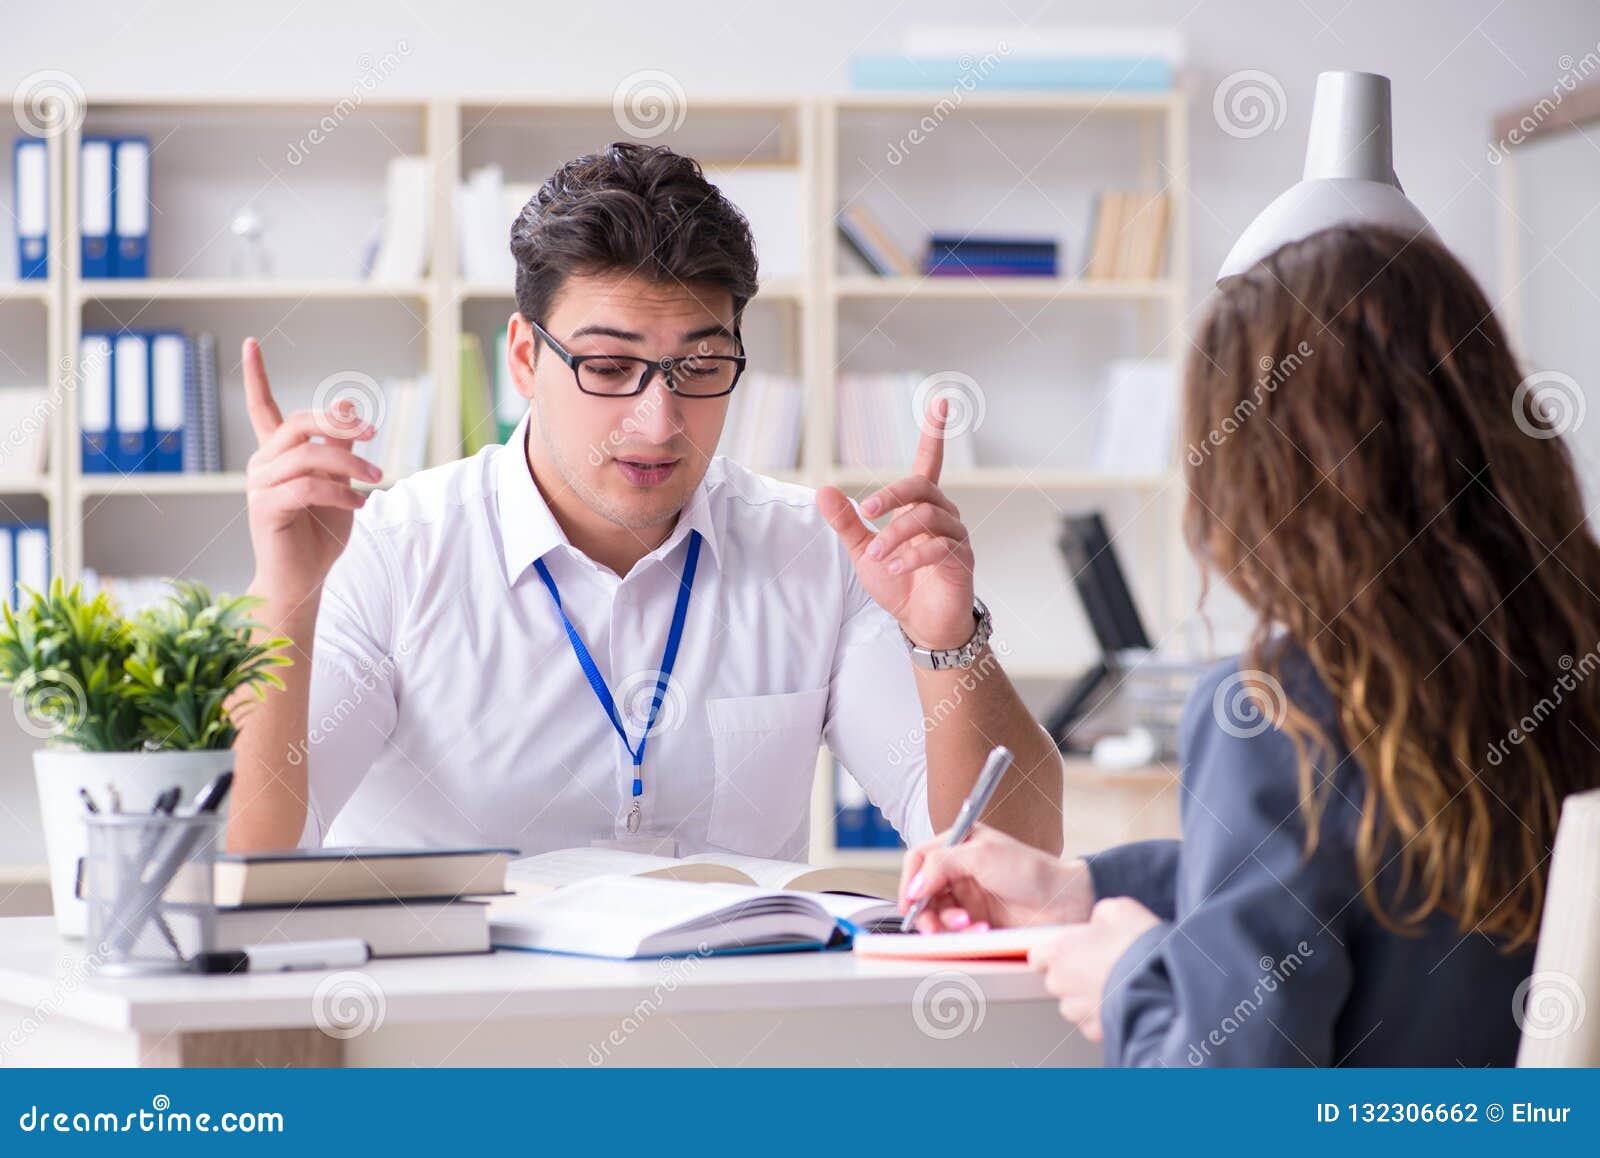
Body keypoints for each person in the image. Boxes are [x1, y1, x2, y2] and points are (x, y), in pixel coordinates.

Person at [225, 141, 1063, 860]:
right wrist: (287, 599)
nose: (658, 423)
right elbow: (252, 857)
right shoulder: (394, 548)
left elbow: (1009, 856)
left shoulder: (818, 550)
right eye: (609, 367)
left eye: (699, 368)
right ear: (523, 358)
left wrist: (949, 641)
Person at [899, 225, 1600, 1066]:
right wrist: (1085, 890)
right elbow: (1354, 882)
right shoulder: (1558, 663)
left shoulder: (1281, 715)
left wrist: (1130, 979)